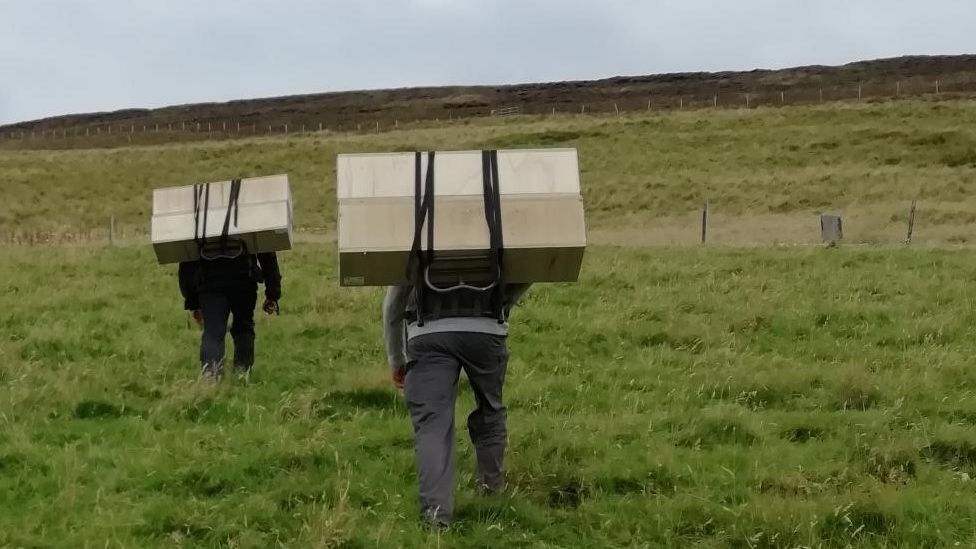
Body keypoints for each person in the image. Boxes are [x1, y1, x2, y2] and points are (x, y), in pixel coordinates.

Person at [383, 282, 531, 529]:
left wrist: (397, 357)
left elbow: (395, 299)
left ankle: (436, 516)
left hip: (427, 331)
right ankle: (491, 493)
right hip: (487, 330)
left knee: (432, 425)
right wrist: (501, 305)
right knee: (490, 409)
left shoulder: (416, 240)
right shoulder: (500, 239)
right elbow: (528, 269)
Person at [178, 251, 282, 380]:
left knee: (213, 332)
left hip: (209, 282)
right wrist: (273, 293)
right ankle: (242, 375)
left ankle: (211, 377)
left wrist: (192, 301)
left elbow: (187, 257)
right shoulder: (247, 229)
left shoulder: (200, 228)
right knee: (244, 327)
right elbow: (267, 252)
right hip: (244, 279)